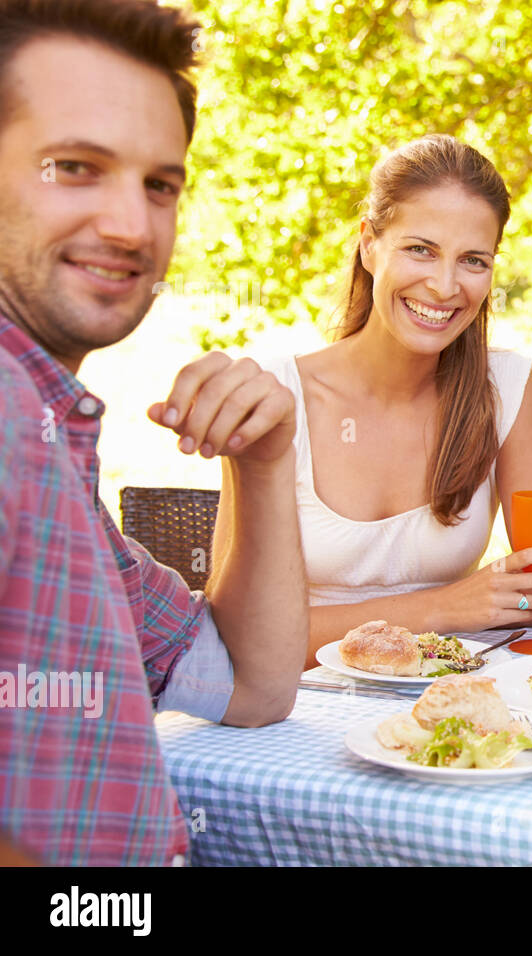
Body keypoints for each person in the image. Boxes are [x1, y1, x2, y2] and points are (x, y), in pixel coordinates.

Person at [0, 0, 309, 866]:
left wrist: (264, 462)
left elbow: (251, 685)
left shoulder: (49, 433)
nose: (133, 227)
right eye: (73, 167)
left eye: (159, 184)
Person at [241, 135, 532, 668]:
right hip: (295, 705)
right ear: (369, 244)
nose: (445, 286)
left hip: (444, 693)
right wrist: (444, 607)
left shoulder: (505, 385)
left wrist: (493, 600)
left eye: (473, 260)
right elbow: (245, 631)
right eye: (420, 249)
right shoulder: (279, 396)